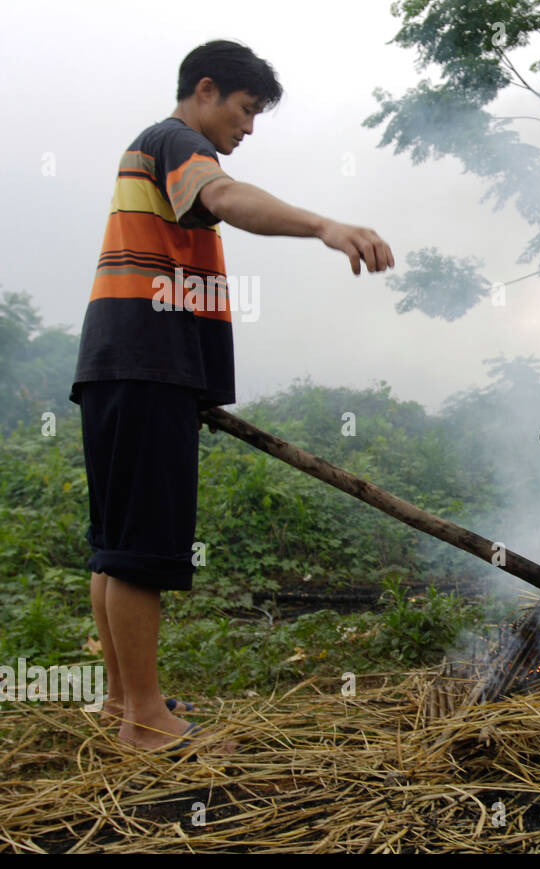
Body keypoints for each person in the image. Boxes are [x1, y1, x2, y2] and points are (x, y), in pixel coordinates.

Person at [71, 40, 395, 753]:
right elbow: (222, 196)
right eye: (246, 111)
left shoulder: (153, 150)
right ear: (207, 90)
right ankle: (149, 724)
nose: (249, 128)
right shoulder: (176, 143)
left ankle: (125, 704)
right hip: (146, 364)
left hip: (119, 365)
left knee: (114, 545)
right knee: (141, 550)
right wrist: (324, 225)